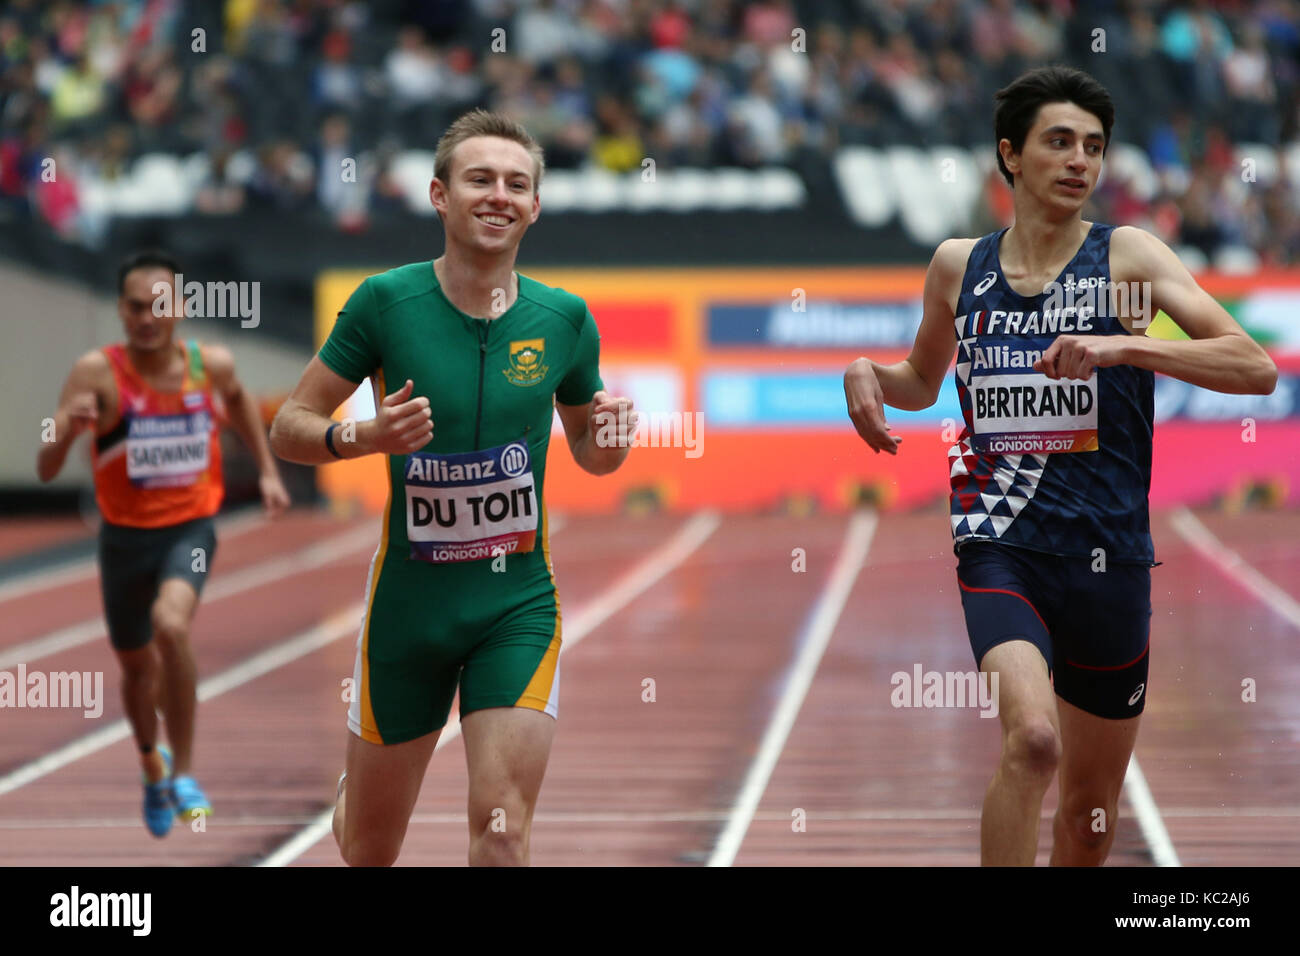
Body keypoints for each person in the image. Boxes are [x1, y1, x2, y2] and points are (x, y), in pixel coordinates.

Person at [843, 66, 1277, 866]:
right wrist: (868, 375)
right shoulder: (956, 266)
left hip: (1110, 556)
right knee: (1034, 740)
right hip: (1001, 544)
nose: (1081, 160)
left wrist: (1127, 344)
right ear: (1011, 154)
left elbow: (1255, 366)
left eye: (1094, 146)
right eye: (1059, 142)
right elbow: (919, 380)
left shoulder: (1130, 256)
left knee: (1087, 815)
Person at [269, 109, 637, 867]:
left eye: (516, 183)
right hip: (410, 609)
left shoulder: (565, 320)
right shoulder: (383, 303)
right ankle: (358, 797)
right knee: (369, 848)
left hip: (516, 605)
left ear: (535, 205)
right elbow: (290, 426)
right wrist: (361, 436)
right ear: (440, 195)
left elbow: (593, 456)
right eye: (479, 179)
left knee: (501, 835)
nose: (498, 195)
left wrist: (610, 443)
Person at [36, 250, 291, 837]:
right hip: (124, 539)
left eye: (159, 305)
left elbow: (243, 407)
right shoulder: (95, 373)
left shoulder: (212, 365)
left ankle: (187, 774)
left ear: (180, 307)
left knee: (172, 625)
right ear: (120, 311)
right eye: (134, 306)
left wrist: (269, 472)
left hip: (191, 529)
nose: (147, 317)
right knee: (134, 667)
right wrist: (67, 431)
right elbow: (47, 465)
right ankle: (154, 764)